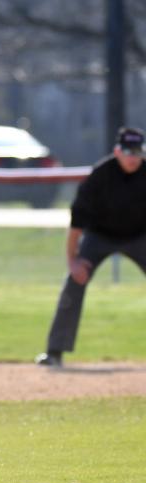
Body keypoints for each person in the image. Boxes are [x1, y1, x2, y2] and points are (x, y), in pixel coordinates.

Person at [36, 126, 146, 367]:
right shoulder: (100, 176)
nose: (132, 158)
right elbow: (76, 225)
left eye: (137, 152)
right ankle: (54, 352)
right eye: (128, 152)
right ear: (117, 151)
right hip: (99, 235)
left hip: (140, 236)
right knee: (75, 280)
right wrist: (72, 261)